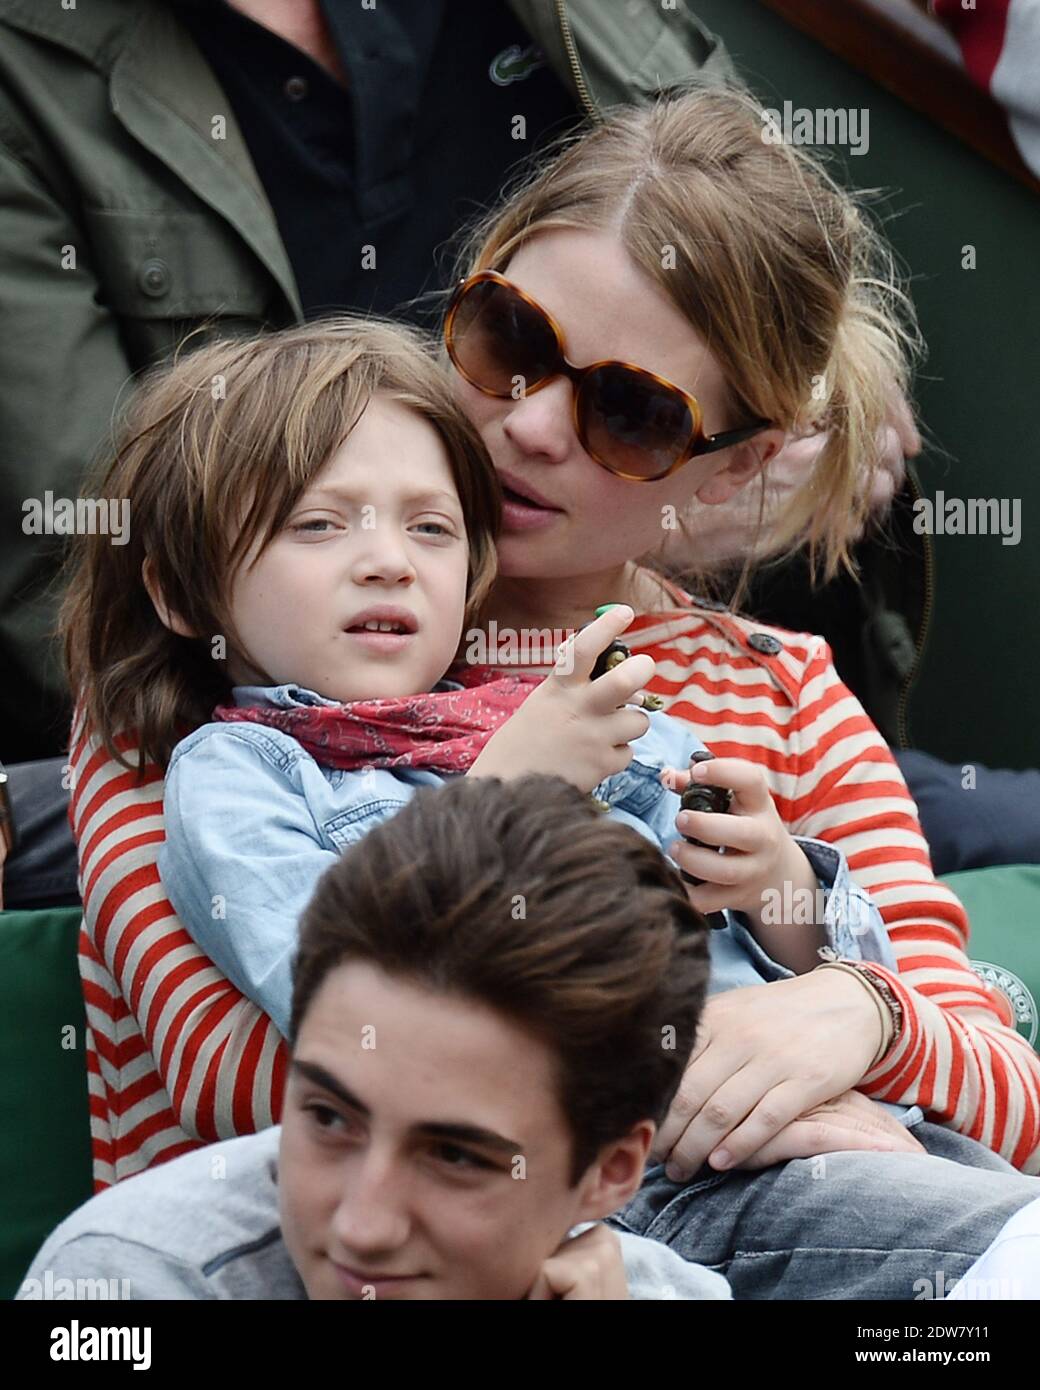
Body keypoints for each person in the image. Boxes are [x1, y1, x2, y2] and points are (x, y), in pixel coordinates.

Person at [62, 85, 1040, 1301]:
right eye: (509, 341)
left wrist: (855, 1017)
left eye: (627, 413)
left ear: (731, 464)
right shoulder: (241, 650)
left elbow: (1002, 1093)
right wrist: (674, 1101)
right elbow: (229, 1063)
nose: (529, 425)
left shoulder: (780, 692)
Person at [20, 774, 730, 1301]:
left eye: (454, 1156)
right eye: (329, 1119)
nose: (363, 1226)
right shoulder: (124, 1285)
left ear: (610, 1171)